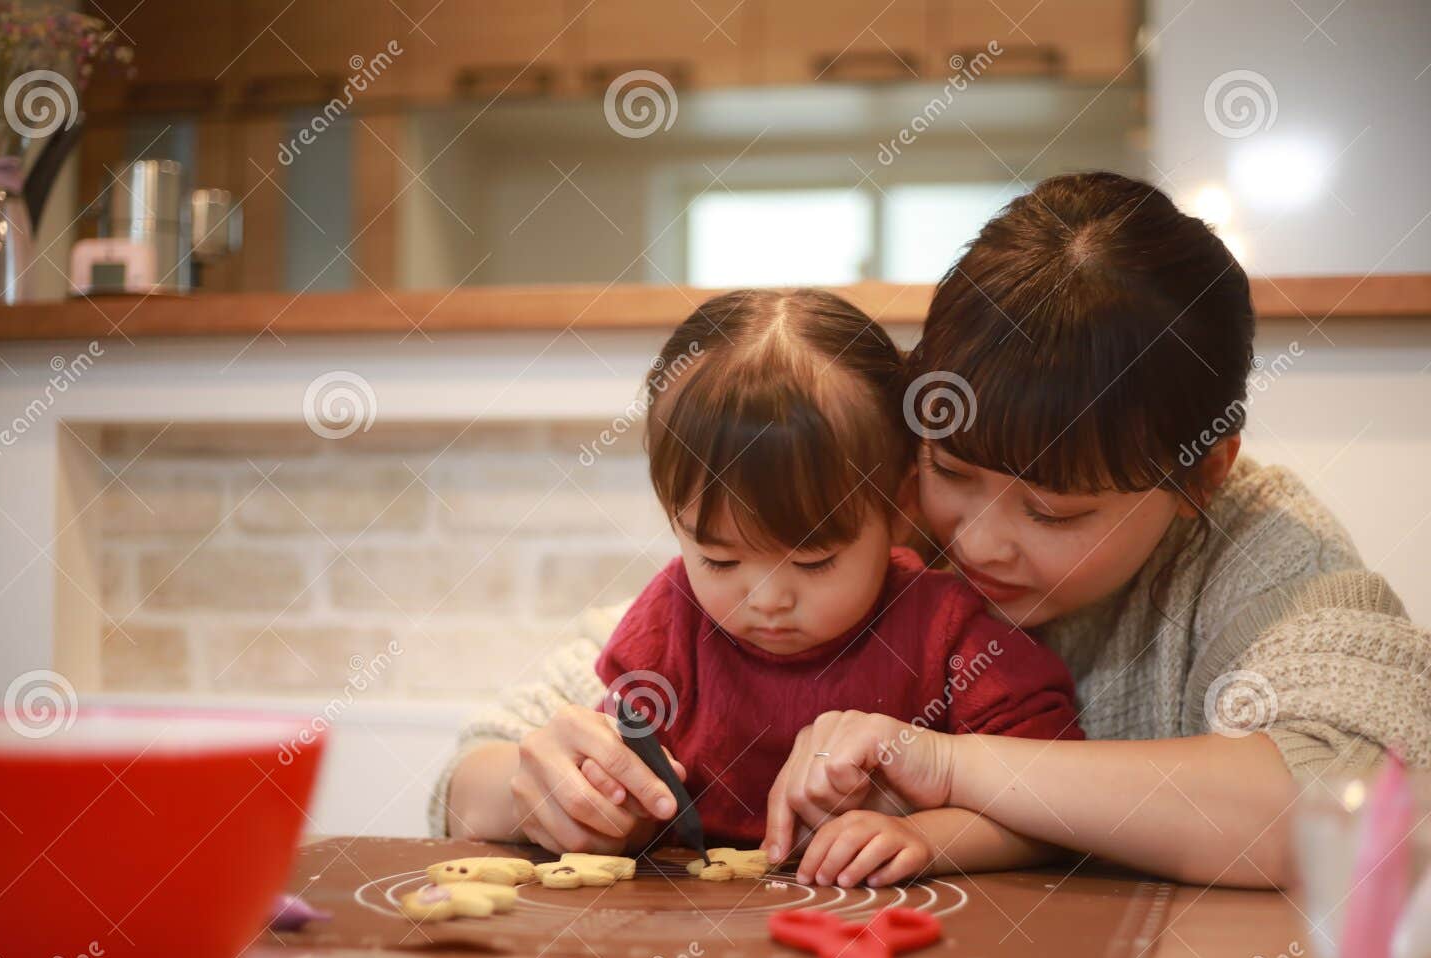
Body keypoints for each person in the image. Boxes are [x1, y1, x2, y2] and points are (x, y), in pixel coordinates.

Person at [435, 171, 1431, 889]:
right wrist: (534, 783)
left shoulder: (1256, 551)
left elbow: (1378, 802)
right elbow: (485, 762)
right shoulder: (869, 515)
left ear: (1200, 471)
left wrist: (945, 769)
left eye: (1053, 508)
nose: (977, 540)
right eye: (950, 471)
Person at [440, 287, 1083, 886]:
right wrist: (598, 801)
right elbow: (569, 770)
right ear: (676, 520)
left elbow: (1052, 809)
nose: (767, 599)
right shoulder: (671, 622)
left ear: (898, 507)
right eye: (720, 560)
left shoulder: (950, 633)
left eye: (815, 561)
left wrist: (930, 838)